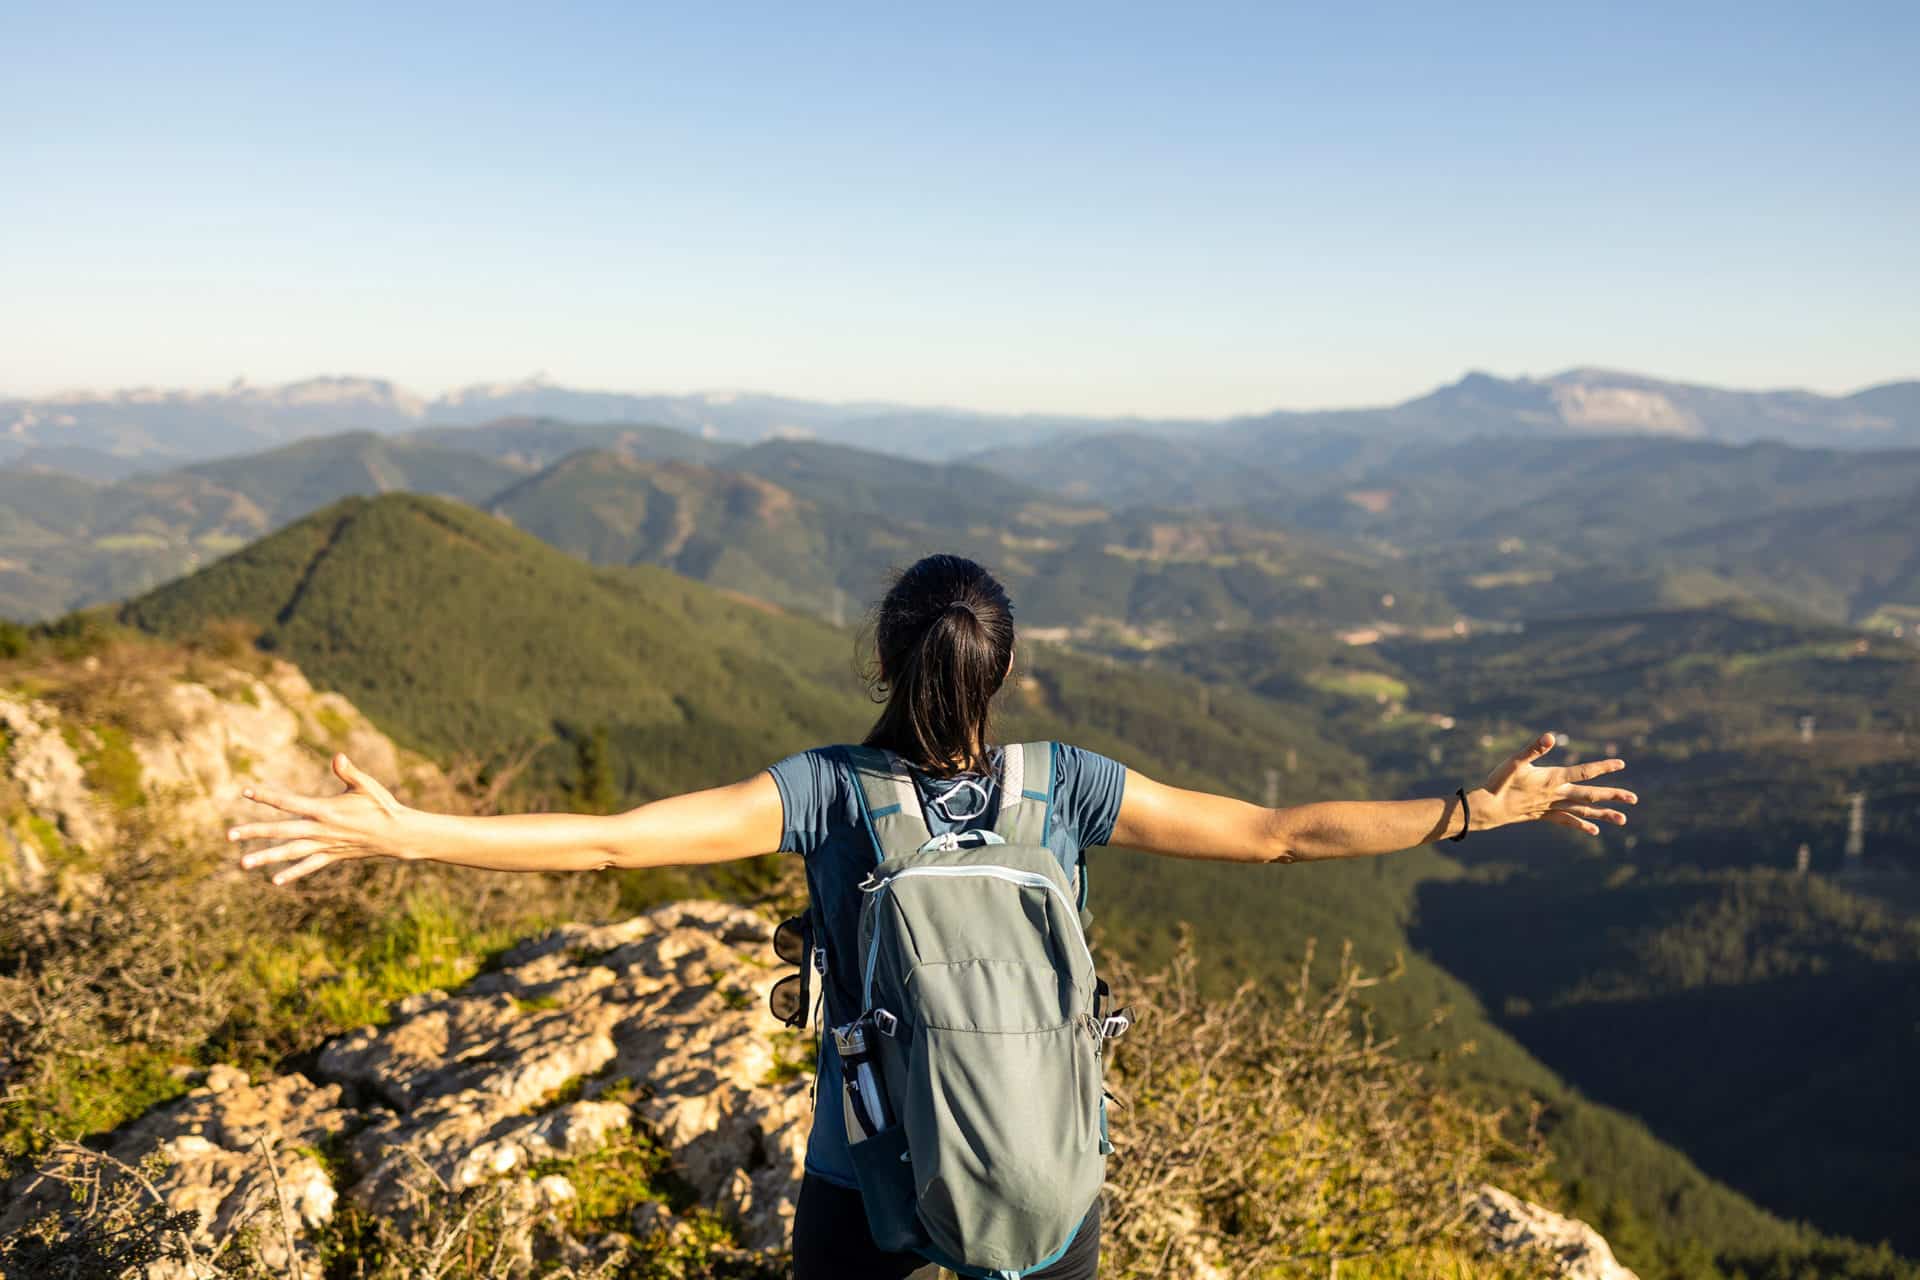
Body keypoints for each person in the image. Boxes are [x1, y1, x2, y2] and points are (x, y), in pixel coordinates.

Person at [229, 553, 1635, 1280]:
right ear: (1001, 672)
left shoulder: (827, 795)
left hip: (871, 1173)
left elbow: (609, 844)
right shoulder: (1068, 786)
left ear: (885, 663)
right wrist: (1479, 808)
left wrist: (408, 832)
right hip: (1046, 1161)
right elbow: (1280, 836)